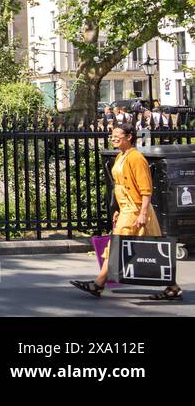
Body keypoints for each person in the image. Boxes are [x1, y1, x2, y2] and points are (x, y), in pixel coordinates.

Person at [70, 121, 182, 301]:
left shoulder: (136, 158)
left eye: (117, 135)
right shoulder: (121, 156)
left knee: (117, 245)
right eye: (112, 135)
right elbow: (120, 185)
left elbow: (146, 189)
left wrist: (143, 212)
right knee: (152, 250)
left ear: (129, 137)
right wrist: (118, 209)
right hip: (127, 209)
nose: (113, 138)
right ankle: (173, 287)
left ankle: (98, 284)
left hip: (136, 209)